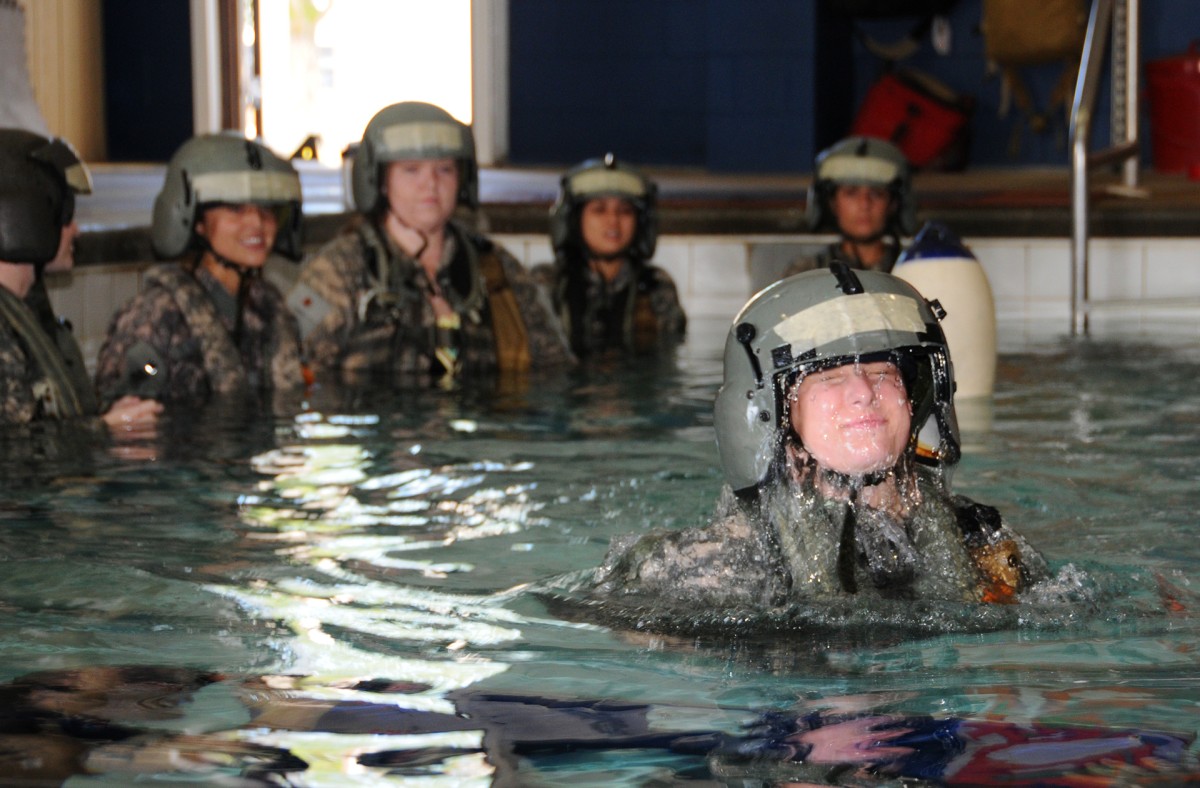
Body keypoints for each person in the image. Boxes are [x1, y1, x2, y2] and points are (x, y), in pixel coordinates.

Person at [589, 264, 1046, 608]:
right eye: (828, 378)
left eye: (882, 371)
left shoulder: (983, 541)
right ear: (777, 415)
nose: (864, 392)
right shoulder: (710, 566)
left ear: (918, 397)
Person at [289, 101, 573, 386]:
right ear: (380, 181)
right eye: (411, 170)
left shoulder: (496, 267)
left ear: (462, 180)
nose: (431, 184)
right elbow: (295, 374)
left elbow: (554, 367)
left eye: (445, 170)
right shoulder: (338, 270)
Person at [93, 133, 305, 412]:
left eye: (267, 210)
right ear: (196, 222)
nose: (256, 222)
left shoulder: (268, 306)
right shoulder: (155, 316)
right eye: (235, 208)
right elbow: (122, 427)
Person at [0, 128, 160, 430]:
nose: (77, 230)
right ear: (26, 216)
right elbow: (13, 454)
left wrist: (106, 417)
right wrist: (102, 431)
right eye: (65, 216)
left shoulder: (28, 312)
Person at [531, 154, 686, 356]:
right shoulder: (547, 285)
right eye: (599, 210)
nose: (613, 221)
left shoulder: (656, 288)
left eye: (625, 211)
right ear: (574, 220)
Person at [785, 136, 917, 277]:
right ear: (832, 202)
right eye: (851, 193)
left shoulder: (916, 269)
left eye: (877, 194)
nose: (864, 204)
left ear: (893, 204)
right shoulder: (807, 273)